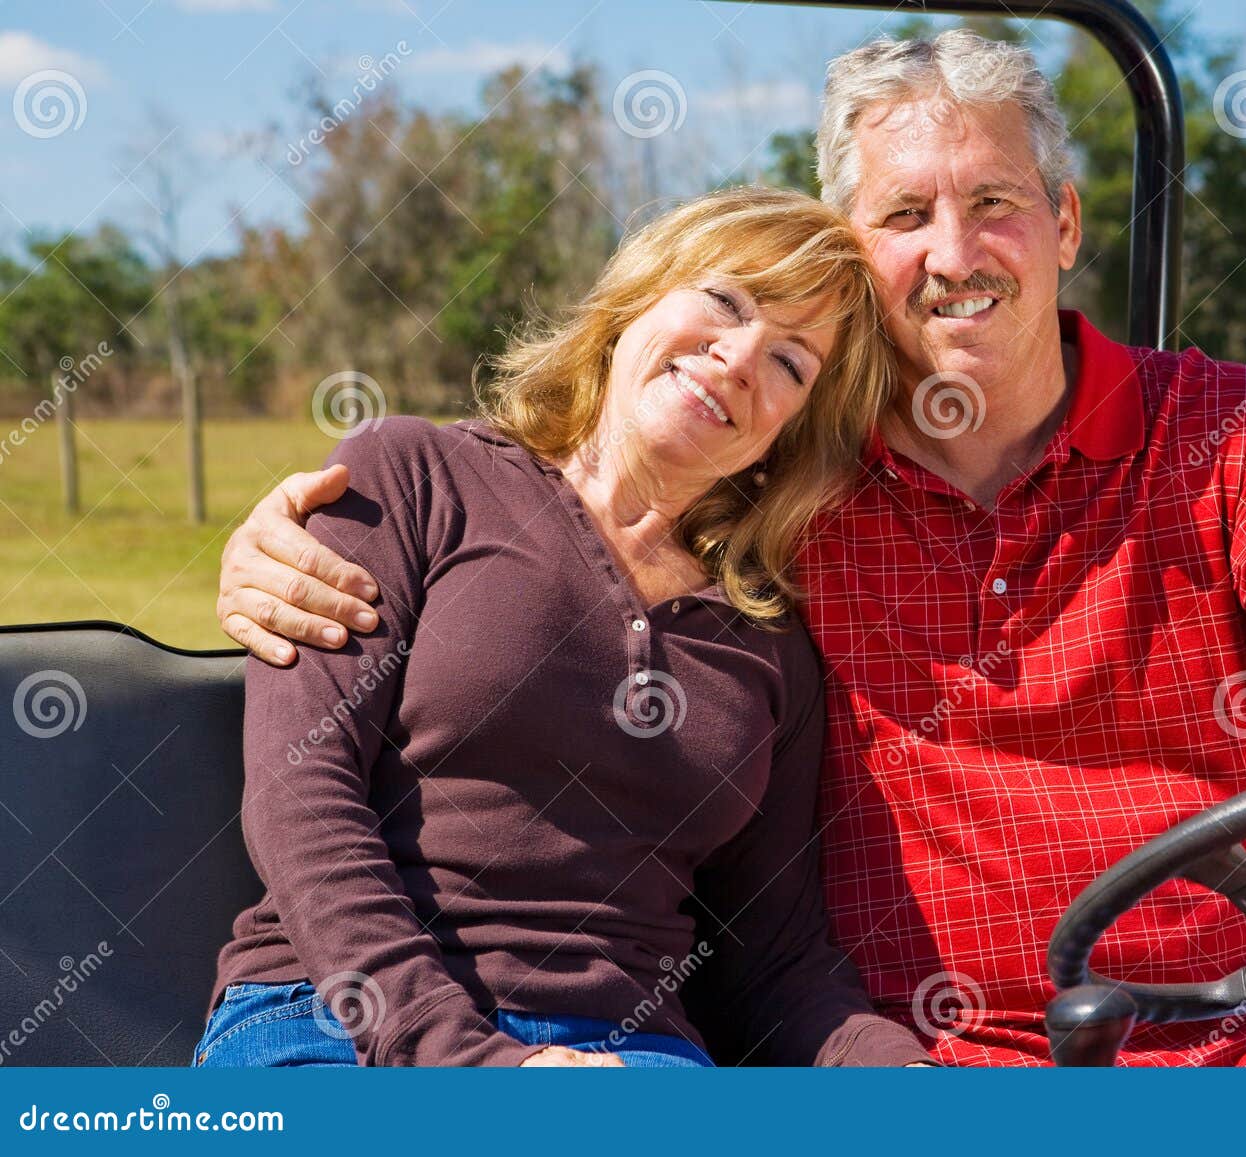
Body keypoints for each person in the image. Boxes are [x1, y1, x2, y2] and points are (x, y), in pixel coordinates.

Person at [213, 32, 1246, 1068]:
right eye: (901, 216)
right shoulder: (791, 486)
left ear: (1063, 222)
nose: (956, 249)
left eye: (995, 200)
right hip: (939, 1060)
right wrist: (283, 539)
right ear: (853, 249)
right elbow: (532, 565)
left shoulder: (1226, 434)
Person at [193, 186, 931, 1068]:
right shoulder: (412, 477)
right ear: (638, 297)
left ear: (793, 428)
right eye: (726, 301)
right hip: (333, 1016)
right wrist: (464, 1060)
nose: (738, 358)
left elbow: (777, 961)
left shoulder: (768, 640)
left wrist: (907, 1075)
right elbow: (298, 793)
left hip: (626, 1054)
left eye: (790, 363)